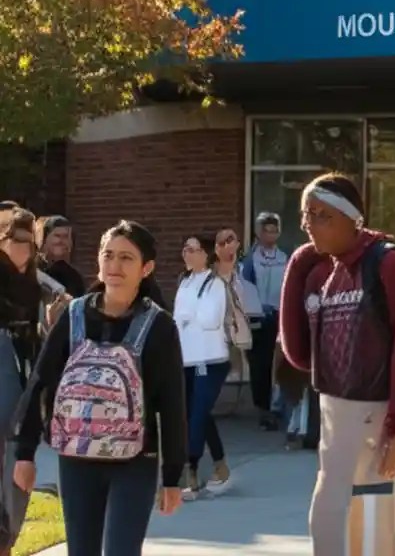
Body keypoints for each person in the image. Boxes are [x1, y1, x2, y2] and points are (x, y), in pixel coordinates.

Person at [11, 221, 187, 556]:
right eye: (108, 255)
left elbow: (173, 403)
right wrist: (25, 452)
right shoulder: (74, 315)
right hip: (77, 457)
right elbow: (40, 382)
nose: (115, 266)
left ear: (146, 268)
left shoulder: (159, 326)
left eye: (126, 258)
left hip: (135, 460)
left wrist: (173, 475)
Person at [280, 173, 395, 555]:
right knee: (329, 528)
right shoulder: (321, 271)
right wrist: (297, 269)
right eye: (305, 215)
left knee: (373, 529)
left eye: (321, 215)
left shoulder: (387, 264)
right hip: (333, 416)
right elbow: (299, 355)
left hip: (379, 416)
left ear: (353, 219)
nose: (309, 225)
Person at [173, 234, 234, 500]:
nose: (187, 254)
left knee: (197, 415)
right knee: (198, 413)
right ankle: (220, 465)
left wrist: (190, 315)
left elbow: (210, 319)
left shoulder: (216, 284)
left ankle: (191, 471)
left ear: (206, 254)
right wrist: (188, 316)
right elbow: (177, 318)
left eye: (193, 250)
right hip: (186, 358)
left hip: (210, 360)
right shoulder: (184, 281)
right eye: (185, 249)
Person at [0, 208, 43, 544]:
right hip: (6, 361)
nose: (20, 246)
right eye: (15, 238)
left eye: (27, 240)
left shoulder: (37, 279)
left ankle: (8, 537)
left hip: (25, 366)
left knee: (19, 454)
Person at [241, 211, 293, 431]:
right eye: (266, 230)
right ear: (258, 232)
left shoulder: (284, 258)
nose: (271, 235)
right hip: (257, 317)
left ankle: (281, 404)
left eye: (274, 230)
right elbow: (243, 288)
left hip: (280, 315)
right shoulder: (250, 260)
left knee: (283, 362)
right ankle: (262, 407)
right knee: (259, 364)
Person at [35, 215, 86, 298]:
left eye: (65, 236)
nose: (61, 241)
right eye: (57, 236)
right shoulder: (33, 270)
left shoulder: (74, 277)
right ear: (45, 239)